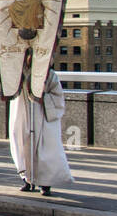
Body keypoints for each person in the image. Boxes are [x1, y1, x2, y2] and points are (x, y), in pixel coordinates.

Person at [9, 50, 74, 196]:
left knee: (45, 149)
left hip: (42, 115)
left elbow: (58, 97)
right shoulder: (20, 75)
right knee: (22, 144)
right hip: (23, 114)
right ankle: (27, 179)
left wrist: (43, 94)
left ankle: (45, 182)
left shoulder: (50, 76)